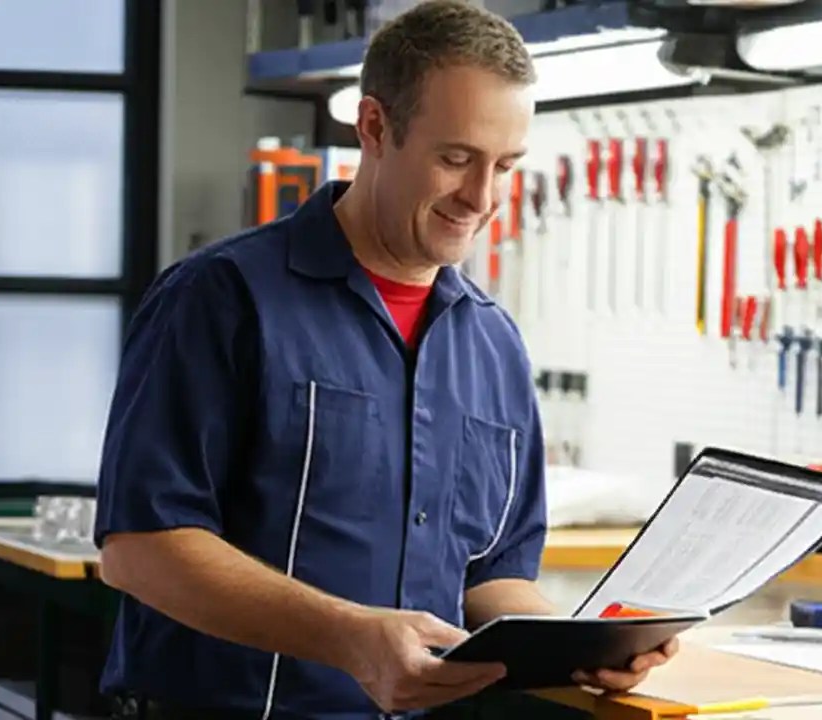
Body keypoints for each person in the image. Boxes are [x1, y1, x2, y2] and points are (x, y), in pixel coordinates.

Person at [92, 1, 677, 717]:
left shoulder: (493, 345)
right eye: (455, 159)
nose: (482, 197)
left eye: (505, 166)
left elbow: (491, 573)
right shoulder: (221, 299)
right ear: (373, 127)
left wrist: (584, 644)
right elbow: (139, 547)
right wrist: (350, 637)